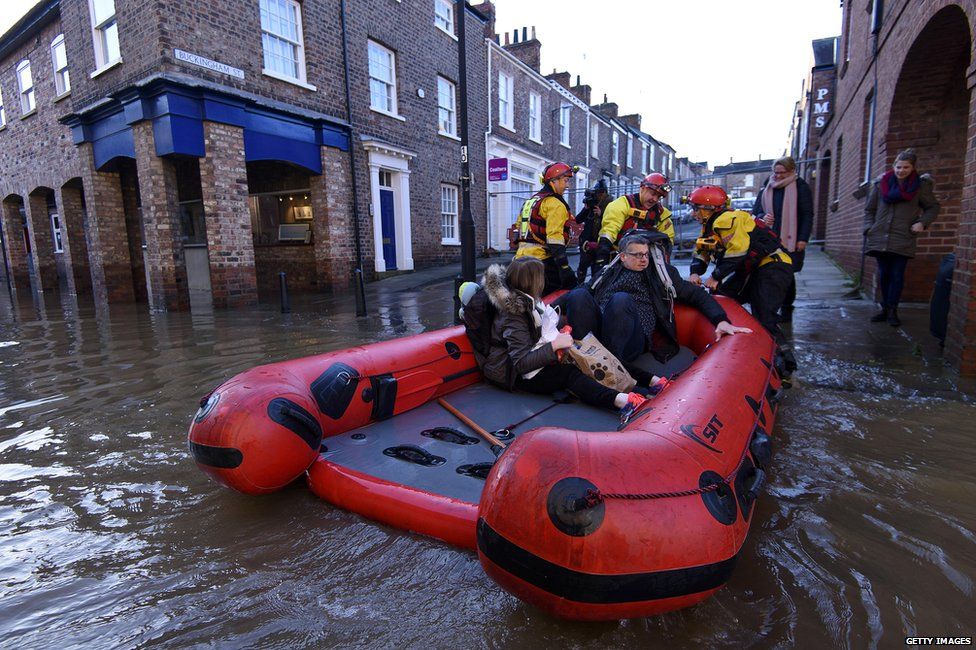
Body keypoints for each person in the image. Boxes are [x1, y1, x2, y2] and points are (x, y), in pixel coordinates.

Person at [562, 232, 751, 381]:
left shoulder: (661, 275)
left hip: (632, 336)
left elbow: (696, 294)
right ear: (623, 257)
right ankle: (582, 356)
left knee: (621, 299)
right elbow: (580, 291)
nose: (644, 259)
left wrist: (721, 320)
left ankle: (611, 367)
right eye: (637, 255)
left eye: (646, 254)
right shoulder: (608, 272)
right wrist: (541, 310)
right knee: (579, 295)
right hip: (601, 331)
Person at [480, 257, 647, 419]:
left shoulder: (528, 302)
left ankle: (649, 381)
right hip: (515, 376)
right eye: (541, 276)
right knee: (569, 374)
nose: (544, 280)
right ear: (534, 281)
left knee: (591, 350)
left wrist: (561, 332)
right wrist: (554, 345)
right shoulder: (514, 316)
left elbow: (538, 329)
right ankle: (621, 401)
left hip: (536, 356)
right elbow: (521, 364)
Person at [686, 185, 797, 375]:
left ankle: (786, 366)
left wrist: (715, 277)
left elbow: (737, 252)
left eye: (696, 208)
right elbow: (702, 251)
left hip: (773, 267)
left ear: (710, 208)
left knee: (765, 317)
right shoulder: (710, 226)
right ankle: (729, 341)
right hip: (755, 269)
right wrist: (695, 272)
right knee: (722, 297)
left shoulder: (728, 219)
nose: (693, 212)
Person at [863, 148, 940, 327]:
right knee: (884, 274)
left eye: (906, 167)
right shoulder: (881, 184)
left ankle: (892, 310)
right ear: (894, 166)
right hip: (880, 236)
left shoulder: (920, 186)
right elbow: (870, 210)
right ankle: (883, 308)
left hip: (903, 237)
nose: (901, 171)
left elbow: (933, 207)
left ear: (912, 168)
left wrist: (922, 223)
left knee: (897, 275)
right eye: (899, 167)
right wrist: (869, 228)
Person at [752, 156, 813, 322]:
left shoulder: (801, 187)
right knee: (769, 272)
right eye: (775, 172)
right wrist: (763, 216)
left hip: (791, 239)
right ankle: (771, 308)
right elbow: (756, 211)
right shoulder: (767, 186)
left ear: (792, 171)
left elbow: (807, 214)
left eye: (782, 173)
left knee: (787, 274)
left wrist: (803, 238)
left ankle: (787, 307)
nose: (777, 176)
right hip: (769, 239)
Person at [513, 162, 580, 295]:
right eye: (565, 181)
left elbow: (518, 228)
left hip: (519, 261)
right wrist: (564, 267)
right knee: (567, 292)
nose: (568, 185)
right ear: (553, 181)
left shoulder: (531, 201)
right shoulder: (555, 204)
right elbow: (555, 239)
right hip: (541, 262)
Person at [594, 173, 675, 269]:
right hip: (620, 262)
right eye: (653, 194)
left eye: (659, 197)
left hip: (649, 264)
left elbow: (668, 242)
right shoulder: (621, 205)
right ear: (642, 187)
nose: (655, 199)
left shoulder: (662, 214)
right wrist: (602, 258)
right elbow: (609, 231)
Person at [575, 180, 612, 283]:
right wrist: (586, 209)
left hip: (600, 243)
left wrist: (602, 214)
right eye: (597, 193)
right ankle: (579, 285)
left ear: (604, 193)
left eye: (600, 193)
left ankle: (594, 288)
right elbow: (578, 220)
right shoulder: (592, 203)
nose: (598, 195)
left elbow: (612, 223)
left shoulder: (611, 205)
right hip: (586, 242)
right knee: (582, 266)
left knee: (597, 269)